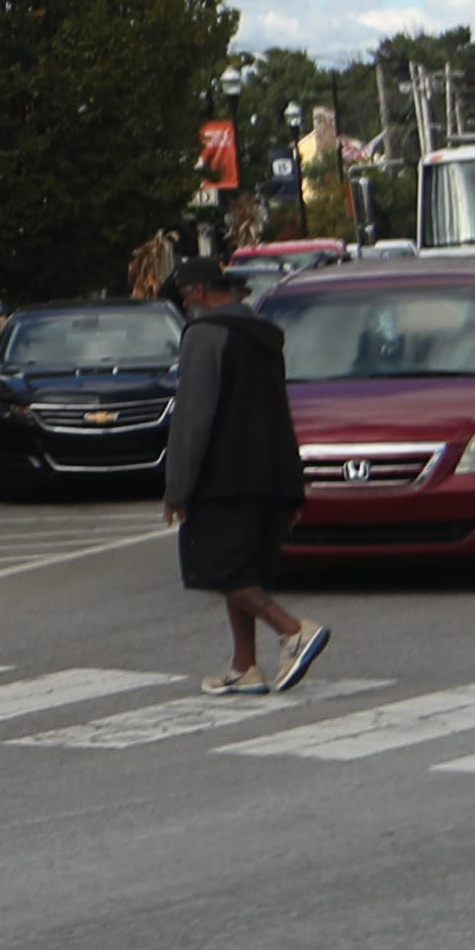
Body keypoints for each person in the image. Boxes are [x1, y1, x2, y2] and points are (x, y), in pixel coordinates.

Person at [159, 254, 326, 695]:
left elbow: (193, 416)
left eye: (183, 294)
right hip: (269, 472)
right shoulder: (262, 336)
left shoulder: (203, 336)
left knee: (220, 570)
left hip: (222, 477)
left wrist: (178, 487)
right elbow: (279, 412)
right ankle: (244, 665)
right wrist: (292, 486)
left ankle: (293, 631)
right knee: (245, 568)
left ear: (198, 292)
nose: (183, 303)